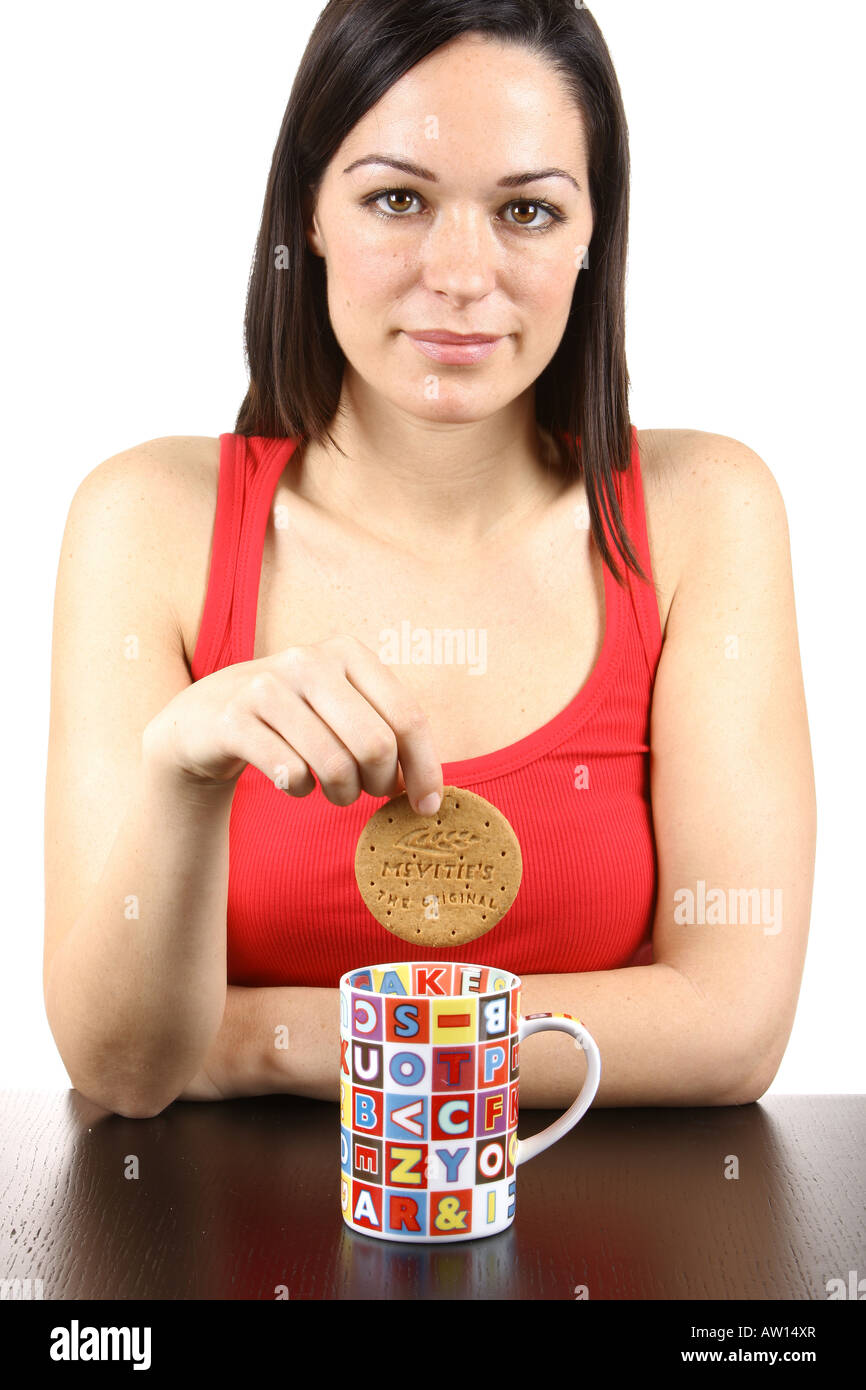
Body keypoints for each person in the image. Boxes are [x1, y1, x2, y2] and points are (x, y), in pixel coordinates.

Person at [43, 0, 815, 1119]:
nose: (460, 275)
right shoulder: (147, 519)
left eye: (527, 210)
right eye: (397, 199)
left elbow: (728, 1030)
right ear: (307, 211)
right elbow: (119, 1070)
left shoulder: (704, 512)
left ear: (594, 231)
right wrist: (180, 772)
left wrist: (262, 1038)